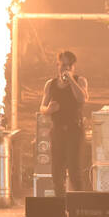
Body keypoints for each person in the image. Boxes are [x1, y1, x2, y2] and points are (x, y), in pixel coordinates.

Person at [40, 50, 89, 196]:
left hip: (74, 130)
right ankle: (60, 207)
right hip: (58, 131)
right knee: (57, 172)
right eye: (63, 65)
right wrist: (48, 109)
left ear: (74, 67)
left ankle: (78, 208)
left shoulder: (80, 81)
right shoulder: (50, 84)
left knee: (74, 172)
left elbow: (82, 99)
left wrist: (71, 80)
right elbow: (42, 107)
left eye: (69, 66)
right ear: (57, 65)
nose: (65, 68)